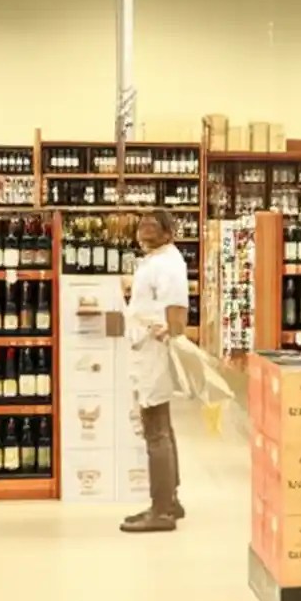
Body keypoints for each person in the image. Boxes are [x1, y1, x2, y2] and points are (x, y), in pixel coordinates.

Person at [121, 210, 189, 533]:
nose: (145, 229)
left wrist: (170, 336)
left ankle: (161, 510)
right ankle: (170, 501)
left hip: (155, 352)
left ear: (168, 232)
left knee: (155, 430)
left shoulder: (168, 264)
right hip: (147, 350)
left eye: (153, 225)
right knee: (162, 425)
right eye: (142, 224)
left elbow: (176, 312)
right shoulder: (156, 259)